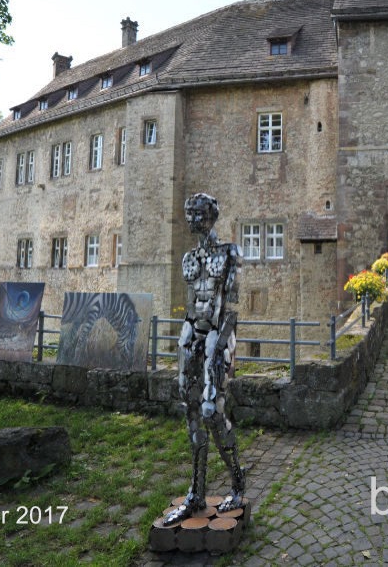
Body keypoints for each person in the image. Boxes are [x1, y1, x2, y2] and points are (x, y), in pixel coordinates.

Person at [162, 193, 246, 526]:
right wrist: (186, 341)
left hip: (218, 334)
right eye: (189, 213)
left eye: (198, 213)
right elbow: (189, 306)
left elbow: (232, 309)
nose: (193, 218)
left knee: (213, 410)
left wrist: (216, 348)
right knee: (191, 410)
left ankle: (237, 481)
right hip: (192, 333)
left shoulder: (229, 253)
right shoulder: (188, 259)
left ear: (210, 216)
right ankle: (196, 492)